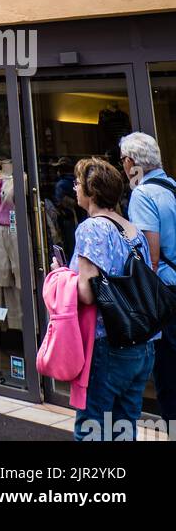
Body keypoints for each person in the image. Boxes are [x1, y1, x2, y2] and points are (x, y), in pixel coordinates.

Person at [70, 156, 155, 441]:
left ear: (91, 191)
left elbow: (87, 292)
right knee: (123, 427)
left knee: (92, 428)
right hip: (142, 343)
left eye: (78, 183)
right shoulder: (132, 229)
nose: (75, 188)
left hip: (108, 342)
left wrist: (61, 276)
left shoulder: (91, 228)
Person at [119, 131, 176, 430]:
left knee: (168, 375)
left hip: (166, 293)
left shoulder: (142, 194)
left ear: (131, 162)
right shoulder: (172, 186)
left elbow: (149, 256)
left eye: (123, 161)